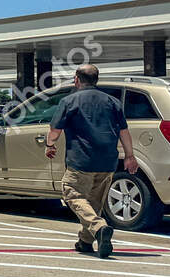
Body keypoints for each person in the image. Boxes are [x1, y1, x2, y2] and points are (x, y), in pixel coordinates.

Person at [43, 63, 136, 258]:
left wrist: (50, 145)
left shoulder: (69, 101)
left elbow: (54, 131)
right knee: (94, 204)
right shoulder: (113, 102)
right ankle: (86, 242)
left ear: (77, 79)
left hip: (81, 161)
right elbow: (124, 132)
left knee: (72, 194)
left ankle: (98, 226)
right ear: (96, 80)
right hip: (108, 162)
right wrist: (129, 156)